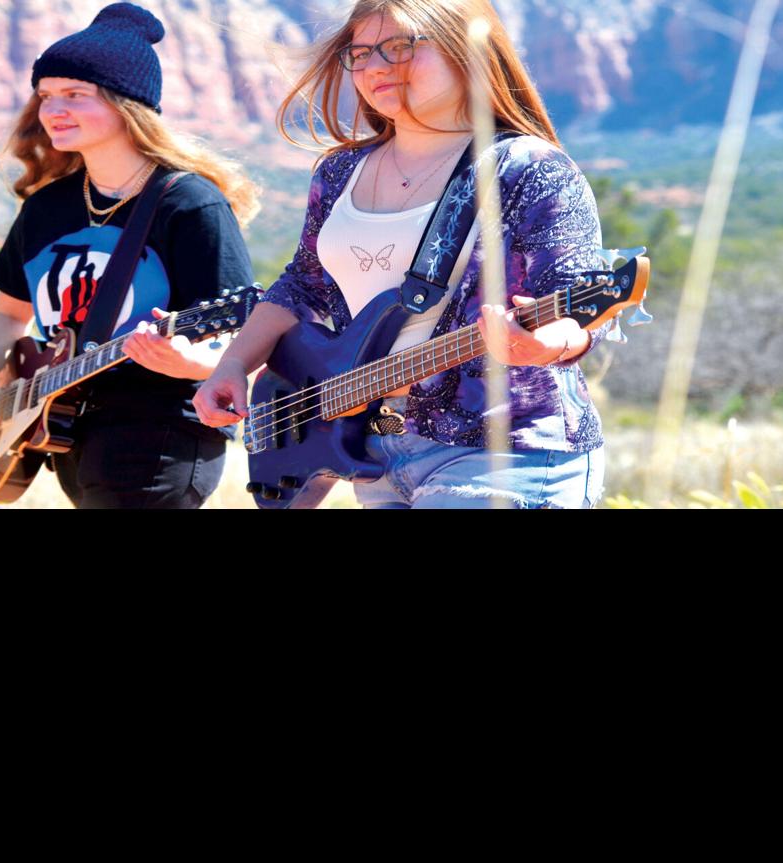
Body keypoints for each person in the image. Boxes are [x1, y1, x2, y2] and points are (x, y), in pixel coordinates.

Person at [193, 0, 610, 508]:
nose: (373, 67)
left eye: (399, 47)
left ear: (466, 49)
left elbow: (577, 306)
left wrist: (545, 345)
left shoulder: (530, 168)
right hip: (376, 451)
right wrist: (234, 363)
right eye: (361, 53)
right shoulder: (339, 173)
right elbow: (301, 284)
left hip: (505, 453)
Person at [0, 2, 258, 508]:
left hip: (159, 433)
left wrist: (185, 362)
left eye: (75, 95)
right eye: (46, 96)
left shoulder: (188, 202)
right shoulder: (49, 206)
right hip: (69, 434)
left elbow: (238, 338)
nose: (53, 110)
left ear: (126, 104)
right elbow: (8, 315)